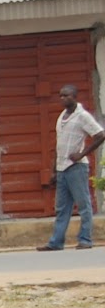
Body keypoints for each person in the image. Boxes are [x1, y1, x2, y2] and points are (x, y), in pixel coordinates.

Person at [38, 84, 103, 251]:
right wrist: (54, 170)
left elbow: (100, 135)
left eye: (66, 96)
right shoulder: (62, 116)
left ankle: (85, 239)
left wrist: (82, 154)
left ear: (75, 97)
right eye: (60, 96)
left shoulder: (82, 116)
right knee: (61, 208)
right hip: (61, 169)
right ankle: (56, 242)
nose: (62, 99)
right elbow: (59, 146)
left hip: (76, 168)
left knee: (83, 205)